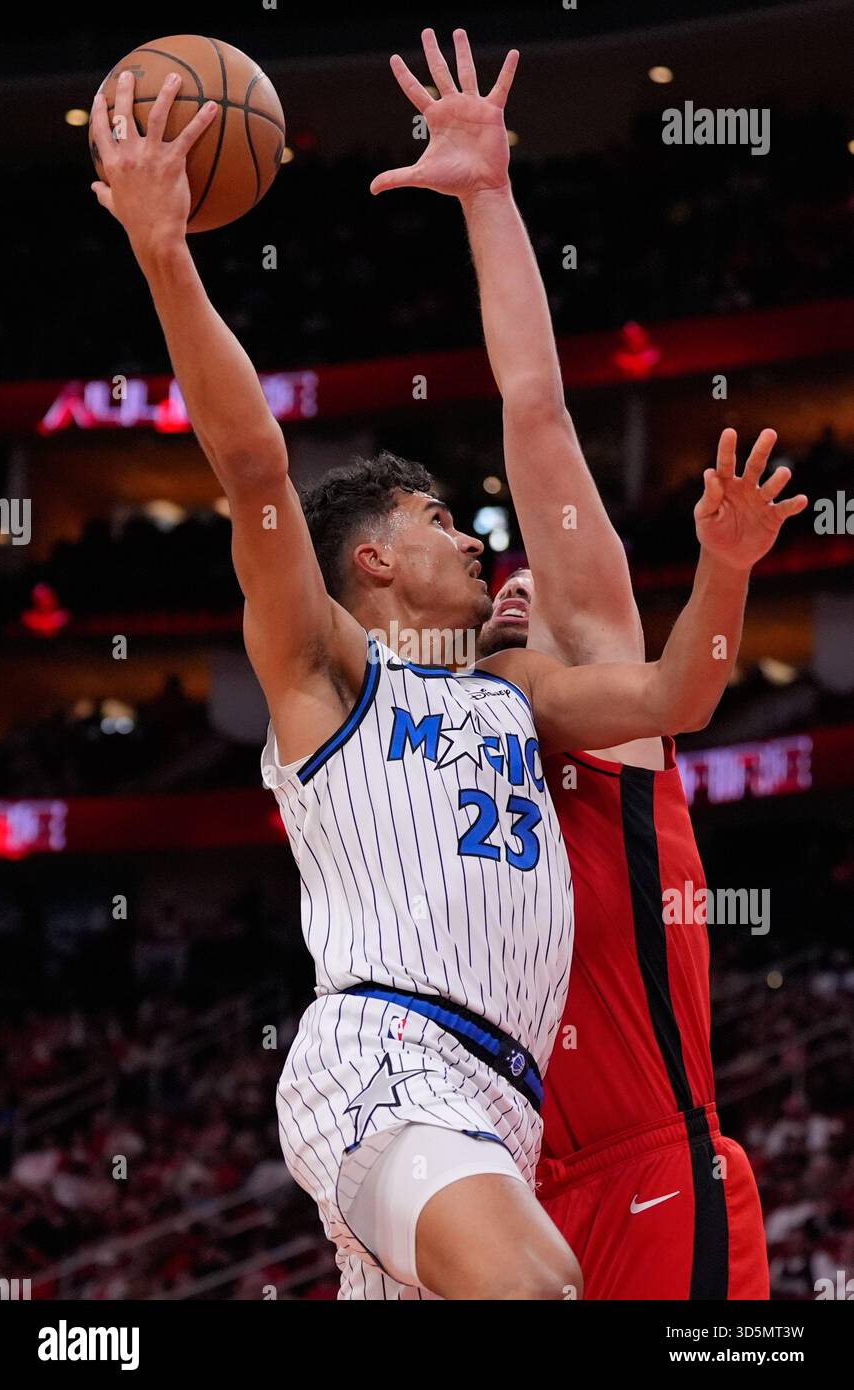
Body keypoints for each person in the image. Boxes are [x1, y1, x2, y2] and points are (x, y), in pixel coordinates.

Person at [90, 47, 803, 1300]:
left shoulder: (533, 694)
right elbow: (257, 469)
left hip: (516, 1130)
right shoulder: (342, 670)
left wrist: (725, 570)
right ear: (371, 560)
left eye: (504, 550)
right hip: (407, 1078)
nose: (489, 550)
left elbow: (549, 438)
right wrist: (164, 250)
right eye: (448, 528)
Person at [375, 27, 787, 1297]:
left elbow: (534, 404)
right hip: (507, 1190)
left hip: (656, 1177)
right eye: (478, 578)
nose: (507, 587)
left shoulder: (598, 707)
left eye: (526, 589)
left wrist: (491, 198)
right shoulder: (430, 764)